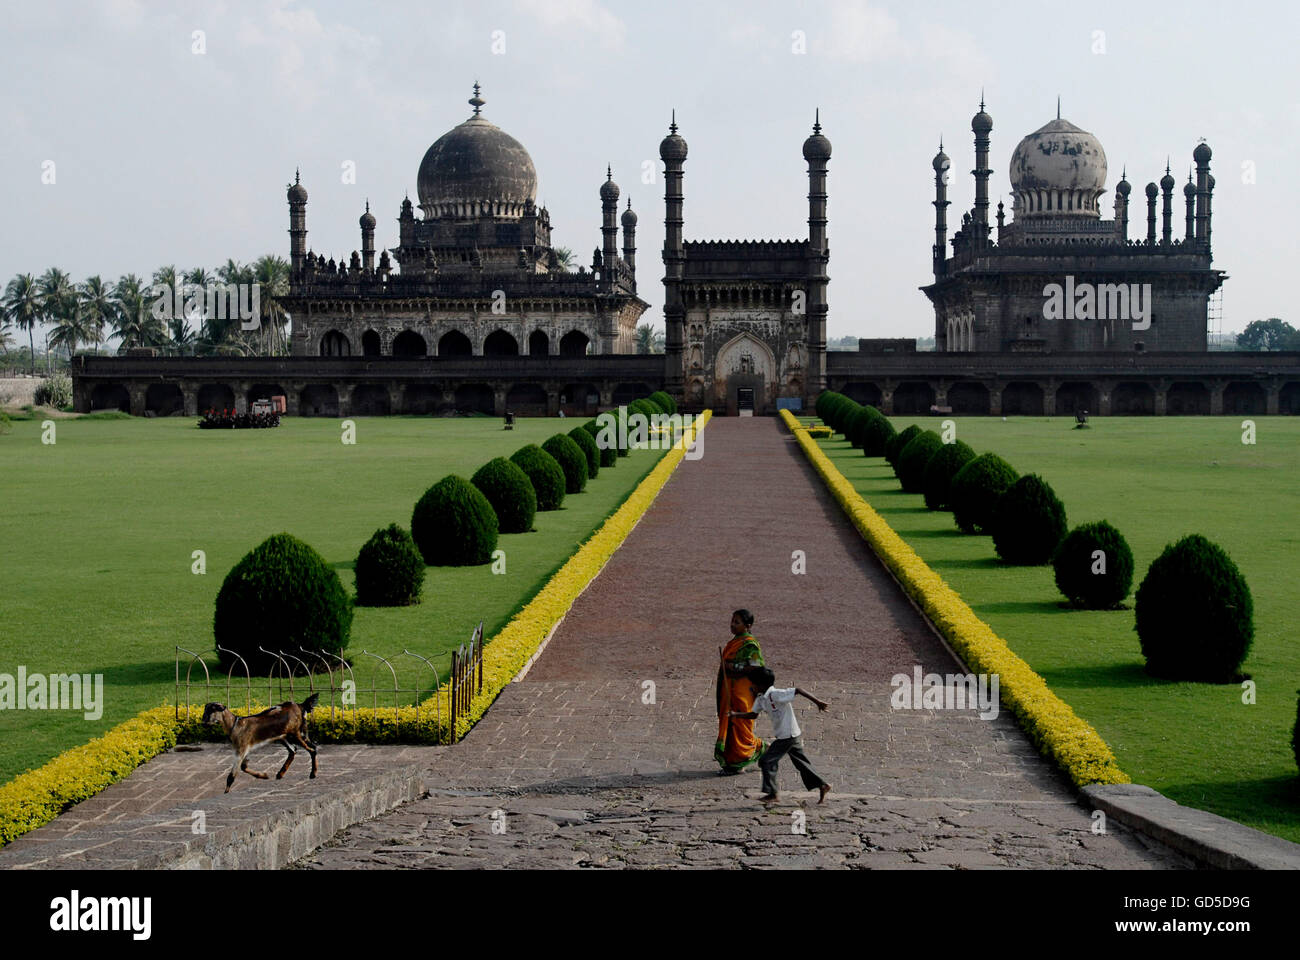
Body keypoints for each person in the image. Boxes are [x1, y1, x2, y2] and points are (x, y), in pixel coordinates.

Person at [731, 666, 831, 804]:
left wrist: (817, 702)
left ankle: (772, 794)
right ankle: (822, 785)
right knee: (801, 764)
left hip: (787, 735)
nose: (751, 686)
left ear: (762, 685)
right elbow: (753, 714)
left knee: (766, 761)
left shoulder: (776, 694)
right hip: (789, 735)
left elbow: (798, 690)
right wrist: (736, 715)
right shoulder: (761, 699)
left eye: (752, 684)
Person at [715, 609, 765, 774]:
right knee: (730, 726)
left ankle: (741, 760)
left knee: (740, 727)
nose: (732, 625)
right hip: (729, 691)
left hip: (742, 693)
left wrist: (733, 666)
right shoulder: (734, 642)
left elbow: (756, 667)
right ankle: (732, 761)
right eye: (732, 621)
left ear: (748, 626)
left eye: (737, 622)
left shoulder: (750, 645)